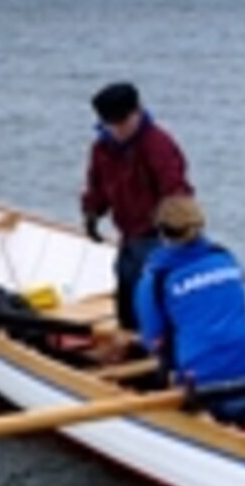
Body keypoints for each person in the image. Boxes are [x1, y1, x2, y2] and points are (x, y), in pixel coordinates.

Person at [131, 194, 245, 436]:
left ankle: (230, 414)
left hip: (202, 378)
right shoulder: (225, 259)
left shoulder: (155, 278)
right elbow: (237, 322)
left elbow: (153, 342)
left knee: (174, 369)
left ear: (161, 232)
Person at [80, 82, 190, 345]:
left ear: (137, 112)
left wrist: (176, 233)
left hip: (157, 237)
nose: (118, 129)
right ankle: (131, 347)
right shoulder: (102, 148)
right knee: (126, 298)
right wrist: (92, 213)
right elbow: (97, 185)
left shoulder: (158, 145)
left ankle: (160, 356)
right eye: (111, 123)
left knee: (152, 301)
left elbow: (175, 190)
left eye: (123, 121)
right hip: (129, 236)